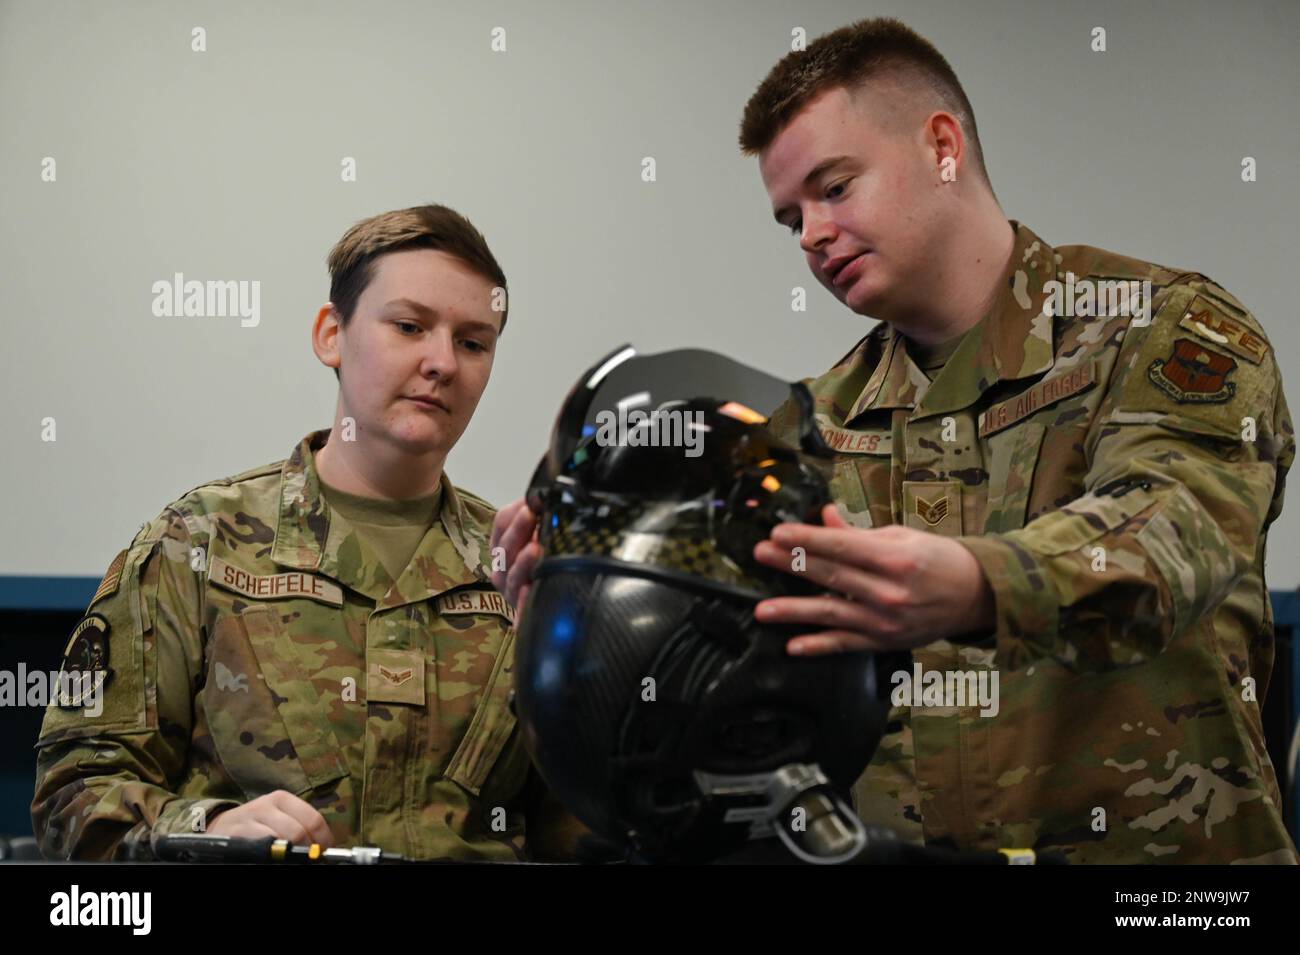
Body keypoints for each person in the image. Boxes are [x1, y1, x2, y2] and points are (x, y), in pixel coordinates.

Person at [493, 19, 1297, 863]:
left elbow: (1181, 533)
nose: (809, 234)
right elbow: (734, 660)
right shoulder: (811, 425)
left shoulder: (1157, 329)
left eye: (834, 187)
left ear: (943, 147)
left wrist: (979, 584)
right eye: (789, 217)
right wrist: (586, 581)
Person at [33, 204, 577, 861]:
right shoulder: (197, 544)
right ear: (331, 334)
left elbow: (581, 827)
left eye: (473, 342)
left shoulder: (518, 565)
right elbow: (74, 791)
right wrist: (206, 830)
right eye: (409, 326)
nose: (442, 362)